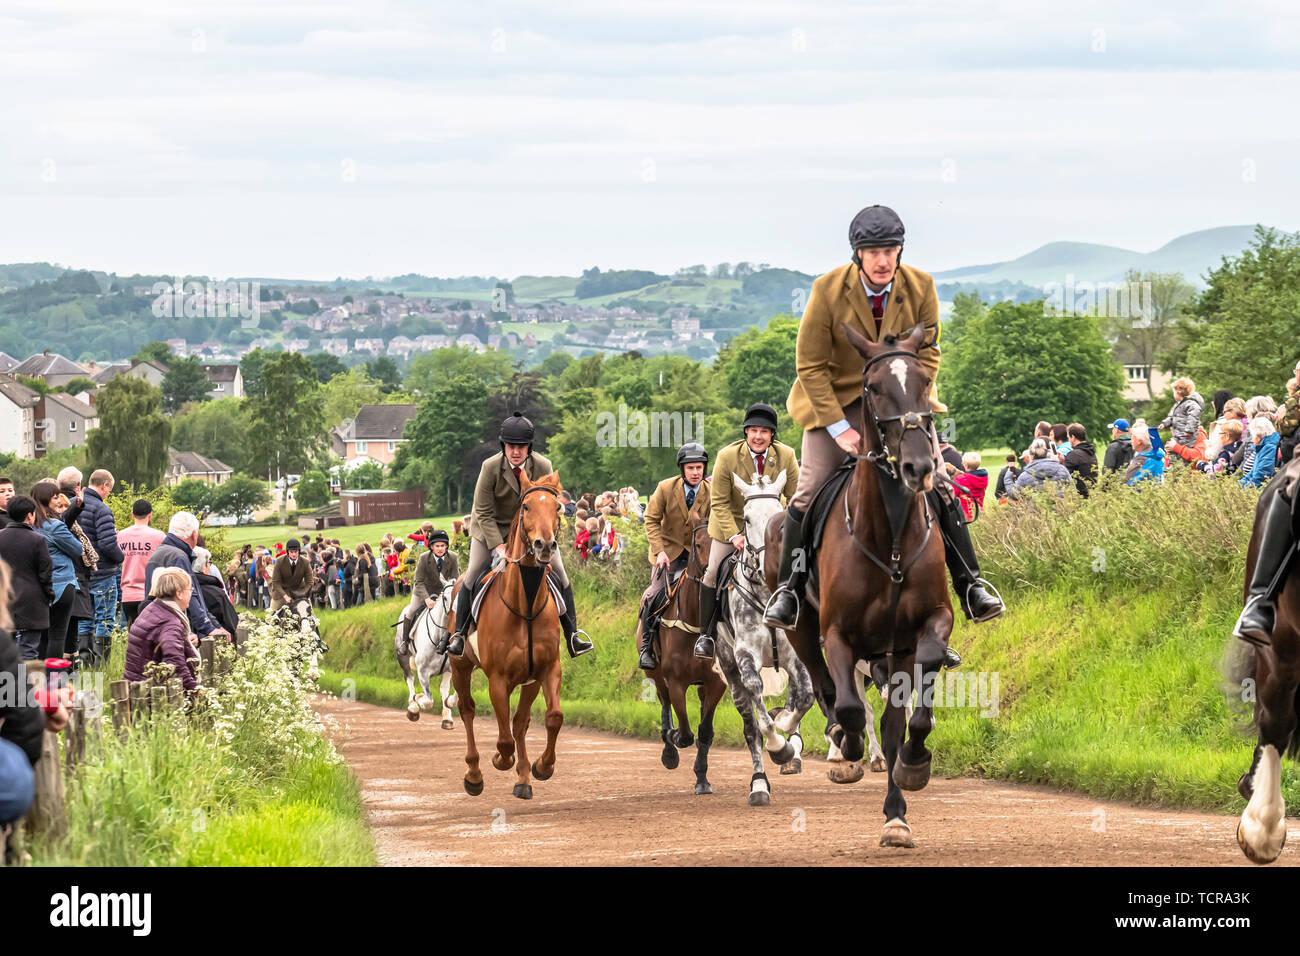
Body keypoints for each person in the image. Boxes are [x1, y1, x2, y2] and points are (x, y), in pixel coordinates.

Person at [764, 204, 1003, 647]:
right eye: (873, 251)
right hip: (834, 405)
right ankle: (790, 591)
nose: (882, 260)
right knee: (810, 488)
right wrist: (840, 429)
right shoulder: (827, 290)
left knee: (941, 482)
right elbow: (810, 366)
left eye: (890, 250)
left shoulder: (922, 286)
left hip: (900, 404)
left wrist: (917, 397)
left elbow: (929, 351)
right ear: (858, 254)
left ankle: (971, 584)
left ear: (899, 251)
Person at [446, 411, 591, 659]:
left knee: (561, 574)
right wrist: (498, 546)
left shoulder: (543, 465)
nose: (516, 451)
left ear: (529, 447)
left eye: (521, 447)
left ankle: (573, 635)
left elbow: (549, 504)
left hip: (528, 532)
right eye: (511, 446)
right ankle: (459, 634)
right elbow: (481, 510)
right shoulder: (490, 467)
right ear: (504, 446)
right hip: (490, 529)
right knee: (471, 576)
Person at [696, 403, 798, 659]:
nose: (758, 436)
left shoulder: (786, 455)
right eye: (753, 430)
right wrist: (735, 535)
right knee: (712, 572)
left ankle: (808, 626)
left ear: (772, 434)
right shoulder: (726, 456)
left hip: (771, 528)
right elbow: (718, 502)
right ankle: (706, 636)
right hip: (731, 526)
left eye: (764, 431)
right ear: (746, 432)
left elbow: (796, 497)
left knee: (802, 566)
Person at [637, 442, 709, 670]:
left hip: (698, 556)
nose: (696, 472)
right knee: (654, 594)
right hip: (667, 555)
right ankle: (647, 647)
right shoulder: (665, 488)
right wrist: (659, 552)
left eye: (699, 468)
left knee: (717, 594)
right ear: (682, 470)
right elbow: (651, 519)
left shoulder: (712, 491)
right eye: (691, 468)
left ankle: (719, 644)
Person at [142, 512, 229, 640]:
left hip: (159, 626)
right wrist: (207, 627)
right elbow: (189, 595)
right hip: (176, 629)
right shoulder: (178, 556)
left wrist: (213, 623)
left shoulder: (160, 552)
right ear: (194, 534)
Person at [125, 567, 200, 693]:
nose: (191, 593)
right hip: (153, 697)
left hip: (137, 688)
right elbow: (175, 664)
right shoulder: (169, 622)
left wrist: (186, 641)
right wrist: (197, 692)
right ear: (179, 593)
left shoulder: (154, 609)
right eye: (190, 589)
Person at [76, 470, 124, 659]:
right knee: (104, 619)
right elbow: (107, 544)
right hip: (102, 572)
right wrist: (120, 557)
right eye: (108, 491)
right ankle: (101, 662)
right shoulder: (101, 509)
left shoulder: (73, 505)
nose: (107, 494)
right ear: (104, 486)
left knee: (84, 618)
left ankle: (83, 660)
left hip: (80, 573)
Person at [0, 495, 54, 660]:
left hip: (4, 600)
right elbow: (45, 573)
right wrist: (49, 595)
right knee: (29, 650)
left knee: (4, 653)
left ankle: (6, 685)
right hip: (32, 601)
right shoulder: (37, 540)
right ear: (29, 516)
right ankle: (25, 685)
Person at [31, 483, 81, 660]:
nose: (58, 500)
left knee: (43, 637)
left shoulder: (30, 525)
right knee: (58, 636)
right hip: (61, 583)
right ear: (46, 499)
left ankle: (41, 680)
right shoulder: (54, 526)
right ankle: (53, 681)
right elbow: (77, 549)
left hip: (38, 586)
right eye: (55, 497)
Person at [399, 529, 458, 655]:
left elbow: (454, 580)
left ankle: (453, 640)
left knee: (453, 613)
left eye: (443, 546)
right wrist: (426, 599)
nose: (440, 549)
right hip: (423, 590)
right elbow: (418, 581)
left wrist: (445, 595)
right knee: (411, 610)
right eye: (437, 546)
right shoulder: (424, 558)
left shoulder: (453, 557)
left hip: (443, 592)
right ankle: (405, 642)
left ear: (447, 546)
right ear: (431, 546)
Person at [118, 499, 164, 626]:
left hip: (127, 594)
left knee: (132, 637)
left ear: (132, 515)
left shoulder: (121, 536)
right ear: (150, 515)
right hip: (151, 594)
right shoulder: (159, 536)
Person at [192, 547, 239, 635]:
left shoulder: (183, 589)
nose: (210, 565)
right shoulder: (216, 593)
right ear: (203, 566)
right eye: (209, 562)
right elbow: (232, 623)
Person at [1159, 377, 1205, 451]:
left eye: (1174, 391)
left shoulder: (1191, 404)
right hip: (1178, 436)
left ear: (1179, 392)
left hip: (1186, 437)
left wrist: (1189, 430)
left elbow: (1193, 416)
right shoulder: (1177, 405)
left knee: (1181, 453)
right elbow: (1171, 417)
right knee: (1173, 452)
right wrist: (1164, 424)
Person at [270, 539, 316, 613]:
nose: (294, 554)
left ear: (299, 551)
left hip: (299, 591)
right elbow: (275, 582)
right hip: (281, 592)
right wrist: (285, 596)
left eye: (296, 552)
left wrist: (303, 593)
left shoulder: (305, 562)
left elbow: (310, 582)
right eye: (291, 552)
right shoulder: (279, 561)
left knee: (311, 615)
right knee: (271, 616)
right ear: (288, 552)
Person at [1240, 418, 1280, 488]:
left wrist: (1244, 490)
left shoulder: (1269, 448)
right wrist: (1237, 485)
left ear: (1258, 437)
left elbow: (1261, 476)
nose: (1252, 440)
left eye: (1253, 437)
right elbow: (1252, 473)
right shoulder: (1263, 446)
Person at [1061, 423, 1099, 498]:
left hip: (1079, 498)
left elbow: (1063, 477)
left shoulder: (1073, 455)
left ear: (1073, 437)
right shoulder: (1091, 452)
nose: (1069, 440)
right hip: (1092, 496)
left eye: (1068, 437)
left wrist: (1059, 464)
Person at [952, 451, 988, 520]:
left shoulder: (960, 479)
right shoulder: (983, 478)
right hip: (980, 513)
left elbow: (953, 495)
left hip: (965, 515)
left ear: (965, 465)